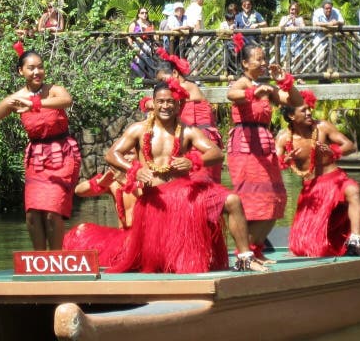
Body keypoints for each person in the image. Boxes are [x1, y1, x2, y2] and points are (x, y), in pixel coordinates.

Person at [69, 82, 267, 273]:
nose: (165, 106)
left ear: (178, 104)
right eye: (161, 101)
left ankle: (245, 258)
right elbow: (112, 154)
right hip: (155, 199)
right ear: (153, 103)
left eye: (170, 101)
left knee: (232, 201)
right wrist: (134, 170)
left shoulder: (187, 131)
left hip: (184, 195)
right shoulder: (138, 129)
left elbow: (216, 153)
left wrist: (194, 161)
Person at [0, 45, 81, 250]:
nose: (37, 72)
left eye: (40, 67)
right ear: (21, 71)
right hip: (36, 158)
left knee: (52, 212)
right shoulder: (14, 100)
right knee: (33, 214)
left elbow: (67, 101)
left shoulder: (54, 90)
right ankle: (40, 264)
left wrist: (35, 104)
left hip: (63, 154)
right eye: (31, 68)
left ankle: (56, 261)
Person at [227, 43, 304, 260]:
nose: (263, 63)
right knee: (253, 200)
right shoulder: (243, 82)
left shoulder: (266, 86)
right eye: (258, 59)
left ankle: (256, 249)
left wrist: (284, 80)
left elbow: (296, 103)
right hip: (245, 145)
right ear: (244, 63)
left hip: (264, 145)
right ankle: (246, 251)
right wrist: (253, 92)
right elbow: (231, 95)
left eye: (264, 59)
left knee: (276, 198)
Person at [276, 93, 360, 257]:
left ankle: (356, 239)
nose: (309, 113)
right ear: (291, 115)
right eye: (303, 110)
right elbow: (274, 164)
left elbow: (350, 145)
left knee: (353, 190)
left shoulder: (323, 127)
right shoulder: (284, 139)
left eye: (309, 109)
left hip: (336, 180)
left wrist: (335, 150)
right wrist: (285, 160)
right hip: (311, 189)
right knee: (308, 249)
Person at [141, 49, 224, 183]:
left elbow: (164, 100)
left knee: (204, 182)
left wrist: (151, 102)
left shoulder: (186, 86)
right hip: (192, 139)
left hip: (204, 137)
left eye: (163, 79)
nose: (163, 84)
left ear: (174, 73)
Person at [312, 0, 344, 74]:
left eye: (330, 8)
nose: (328, 10)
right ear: (323, 8)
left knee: (333, 56)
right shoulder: (317, 12)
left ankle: (332, 75)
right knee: (320, 57)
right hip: (320, 37)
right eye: (326, 8)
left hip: (332, 37)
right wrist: (327, 24)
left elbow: (342, 21)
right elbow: (315, 23)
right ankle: (320, 74)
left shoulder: (336, 11)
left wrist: (337, 22)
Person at [127, 7, 155, 78]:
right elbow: (129, 37)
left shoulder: (150, 24)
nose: (144, 14)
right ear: (138, 14)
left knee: (150, 64)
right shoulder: (134, 24)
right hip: (137, 46)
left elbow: (154, 36)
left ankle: (151, 80)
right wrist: (131, 47)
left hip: (149, 47)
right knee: (136, 64)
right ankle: (141, 79)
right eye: (142, 13)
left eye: (146, 13)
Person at [278, 0, 305, 69]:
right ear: (289, 10)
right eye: (292, 9)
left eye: (295, 10)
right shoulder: (284, 18)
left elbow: (303, 28)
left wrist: (294, 21)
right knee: (286, 59)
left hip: (297, 40)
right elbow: (279, 27)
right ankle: (286, 77)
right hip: (286, 40)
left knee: (297, 59)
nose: (293, 11)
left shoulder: (300, 18)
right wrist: (287, 20)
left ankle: (298, 77)